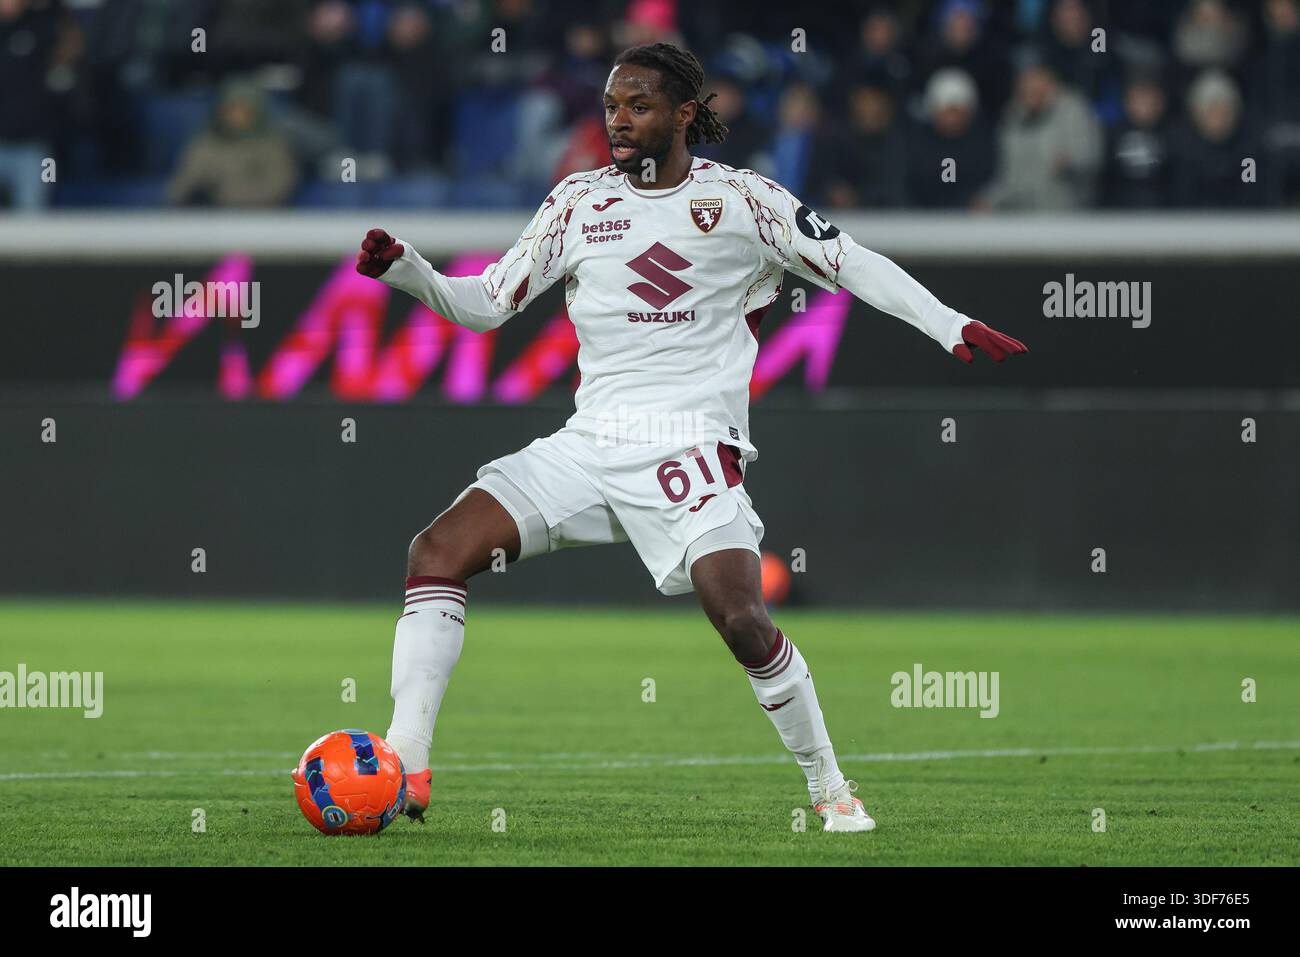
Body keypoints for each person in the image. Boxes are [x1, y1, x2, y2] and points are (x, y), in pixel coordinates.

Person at [354, 42, 1027, 834]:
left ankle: (831, 788)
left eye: (638, 106)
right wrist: (408, 270)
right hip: (591, 440)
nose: (619, 121)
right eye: (611, 106)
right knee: (435, 551)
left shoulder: (747, 202)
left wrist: (947, 323)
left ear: (683, 115)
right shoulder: (576, 203)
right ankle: (407, 760)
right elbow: (486, 304)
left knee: (741, 616)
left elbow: (850, 263)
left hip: (691, 444)